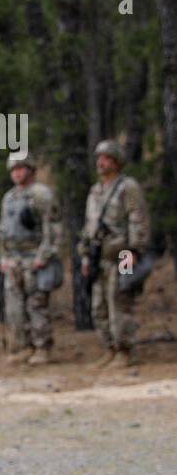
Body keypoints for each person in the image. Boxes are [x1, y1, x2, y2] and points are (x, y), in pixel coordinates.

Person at [77, 139, 150, 368]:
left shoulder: (127, 187)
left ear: (117, 162)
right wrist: (86, 256)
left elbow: (138, 219)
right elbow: (89, 225)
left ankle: (125, 351)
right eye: (99, 157)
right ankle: (109, 348)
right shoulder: (95, 191)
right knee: (98, 305)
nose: (101, 162)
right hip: (99, 257)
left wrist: (134, 250)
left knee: (120, 300)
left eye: (106, 158)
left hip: (122, 255)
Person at [0, 154, 60, 365]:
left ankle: (42, 347)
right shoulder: (9, 198)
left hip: (34, 258)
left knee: (36, 305)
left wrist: (43, 256)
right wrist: (3, 257)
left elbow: (53, 228)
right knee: (15, 307)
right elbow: (3, 231)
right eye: (13, 169)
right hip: (14, 260)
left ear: (31, 170)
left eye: (20, 168)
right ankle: (24, 346)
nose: (16, 172)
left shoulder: (41, 194)